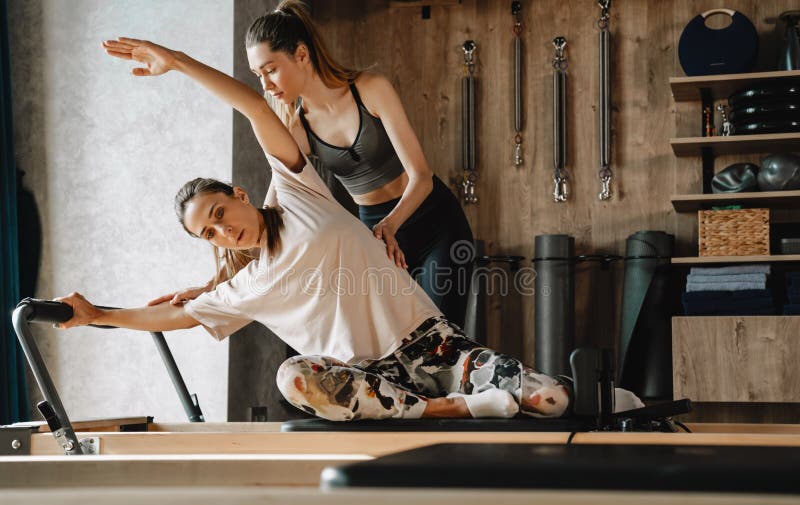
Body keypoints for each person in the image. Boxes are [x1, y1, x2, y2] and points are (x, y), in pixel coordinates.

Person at [54, 37, 643, 422]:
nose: (222, 232)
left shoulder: (298, 192)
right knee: (294, 378)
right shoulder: (243, 287)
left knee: (551, 400)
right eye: (208, 236)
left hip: (431, 344)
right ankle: (454, 411)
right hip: (370, 377)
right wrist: (96, 314)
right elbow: (174, 317)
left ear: (239, 195)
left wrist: (177, 63)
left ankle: (517, 395)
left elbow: (256, 111)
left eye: (219, 214)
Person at [149, 0, 475, 328]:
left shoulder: (371, 89)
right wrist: (212, 285)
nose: (266, 85)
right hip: (378, 233)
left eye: (271, 69)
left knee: (446, 334)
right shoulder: (299, 130)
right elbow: (267, 219)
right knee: (411, 342)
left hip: (434, 221)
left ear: (302, 54)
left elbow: (422, 177)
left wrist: (390, 225)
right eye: (258, 75)